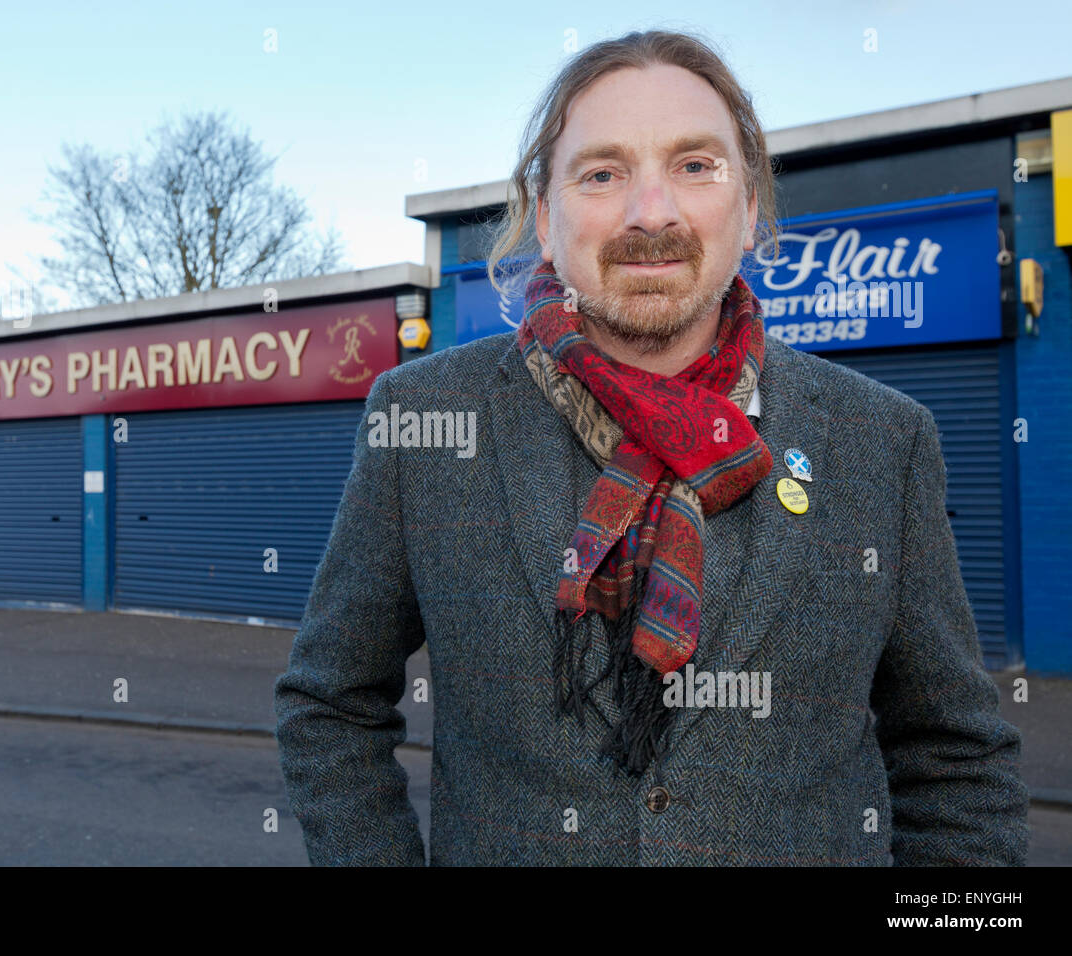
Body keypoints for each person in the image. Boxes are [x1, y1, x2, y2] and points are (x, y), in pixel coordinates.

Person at [274, 29, 1028, 866]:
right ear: (547, 220)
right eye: (602, 173)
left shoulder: (884, 441)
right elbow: (330, 706)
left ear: (749, 211)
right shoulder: (422, 419)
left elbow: (956, 760)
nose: (651, 212)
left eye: (695, 165)